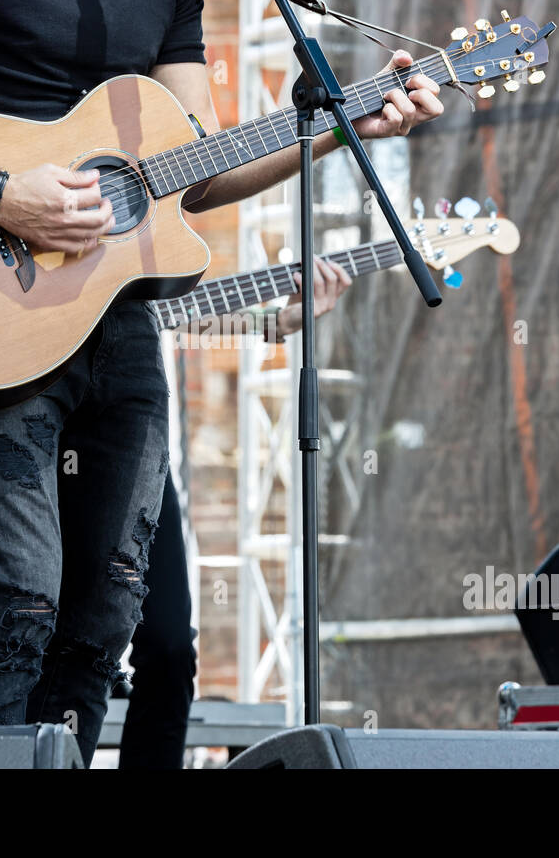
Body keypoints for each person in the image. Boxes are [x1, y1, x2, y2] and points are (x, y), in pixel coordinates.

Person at [0, 0, 443, 766]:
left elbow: (197, 173)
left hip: (121, 322)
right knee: (17, 608)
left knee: (110, 612)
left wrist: (336, 127)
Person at [120, 257, 352, 769]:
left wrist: (276, 322)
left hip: (129, 444)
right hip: (31, 430)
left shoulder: (134, 221)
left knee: (170, 647)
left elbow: (168, 310)